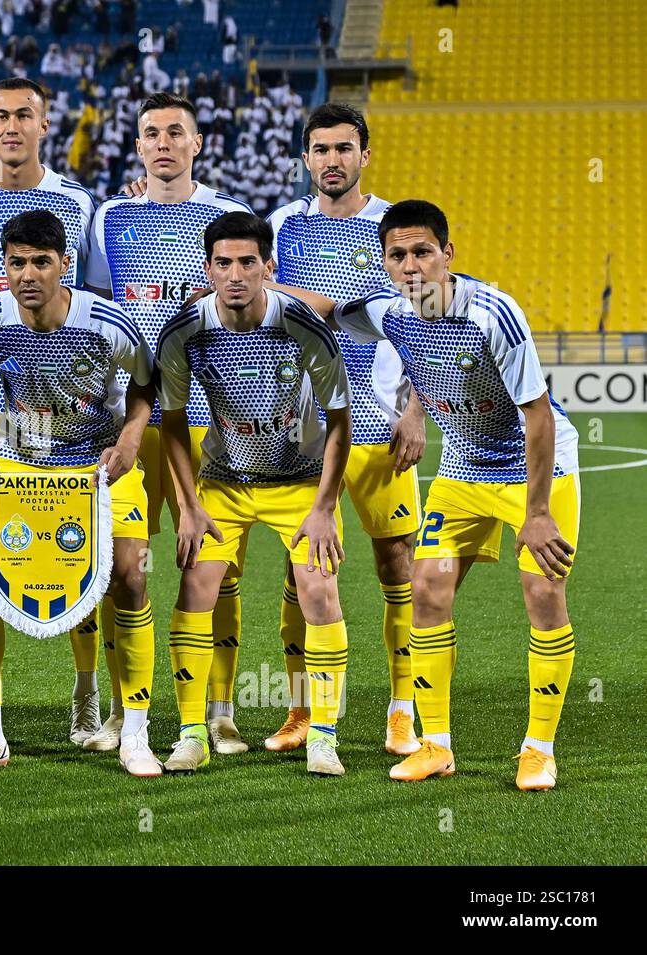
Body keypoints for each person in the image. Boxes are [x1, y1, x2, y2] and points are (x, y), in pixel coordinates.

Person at [283, 200, 581, 792]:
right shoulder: (390, 312)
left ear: (448, 253)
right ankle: (434, 745)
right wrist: (267, 283)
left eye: (423, 251)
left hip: (531, 471)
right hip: (465, 470)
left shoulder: (494, 313)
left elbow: (539, 416)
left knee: (542, 594)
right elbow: (328, 307)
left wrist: (539, 513)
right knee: (427, 588)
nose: (411, 265)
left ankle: (539, 748)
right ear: (385, 263)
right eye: (398, 255)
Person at [0, 210, 163, 777]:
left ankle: (134, 732)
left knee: (131, 576)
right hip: (18, 471)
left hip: (99, 470)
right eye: (16, 262)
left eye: (41, 261)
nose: (28, 273)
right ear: (4, 266)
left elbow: (146, 385)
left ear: (64, 264)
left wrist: (133, 437)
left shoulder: (107, 322)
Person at [156, 212, 353, 776]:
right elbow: (171, 423)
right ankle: (193, 730)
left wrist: (323, 507)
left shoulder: (302, 324)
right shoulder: (185, 330)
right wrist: (189, 505)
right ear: (208, 268)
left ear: (269, 267)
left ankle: (323, 735)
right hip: (223, 483)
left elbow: (338, 420)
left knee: (319, 593)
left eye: (248, 262)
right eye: (223, 263)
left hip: (300, 483)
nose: (236, 274)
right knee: (197, 586)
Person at [85, 91, 252, 754]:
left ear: (197, 143)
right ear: (138, 145)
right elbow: (93, 302)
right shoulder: (109, 217)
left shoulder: (227, 220)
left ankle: (219, 708)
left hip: (208, 416)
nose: (162, 143)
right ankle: (122, 713)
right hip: (125, 415)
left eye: (175, 132)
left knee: (215, 566)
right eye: (151, 131)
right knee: (120, 564)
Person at [0, 77, 106, 748]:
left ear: (46, 125)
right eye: (0, 115)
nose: (12, 125)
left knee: (89, 552)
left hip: (65, 418)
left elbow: (88, 302)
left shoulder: (78, 203)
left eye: (25, 115)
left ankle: (88, 691)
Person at [263, 103, 427, 756]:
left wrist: (417, 408)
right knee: (299, 573)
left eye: (344, 148)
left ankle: (402, 706)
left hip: (382, 425)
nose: (332, 159)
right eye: (320, 148)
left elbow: (424, 319)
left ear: (365, 155)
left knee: (398, 565)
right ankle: (301, 711)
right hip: (304, 432)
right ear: (305, 158)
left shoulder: (394, 228)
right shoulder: (282, 227)